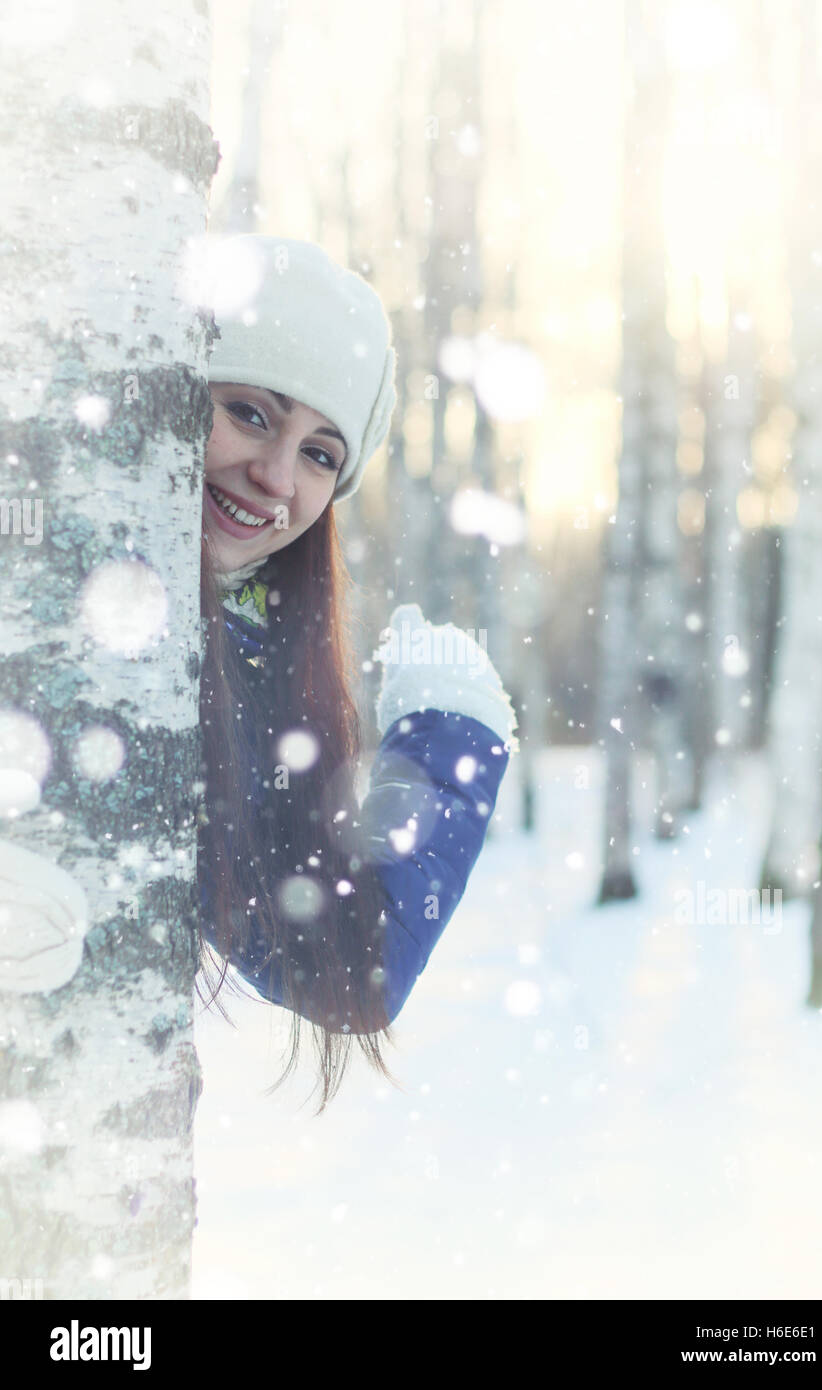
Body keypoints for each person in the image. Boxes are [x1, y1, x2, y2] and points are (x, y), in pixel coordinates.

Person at [196, 234, 518, 1111]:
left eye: (320, 454)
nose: (273, 476)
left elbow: (346, 971)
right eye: (251, 412)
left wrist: (452, 735)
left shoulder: (237, 661)